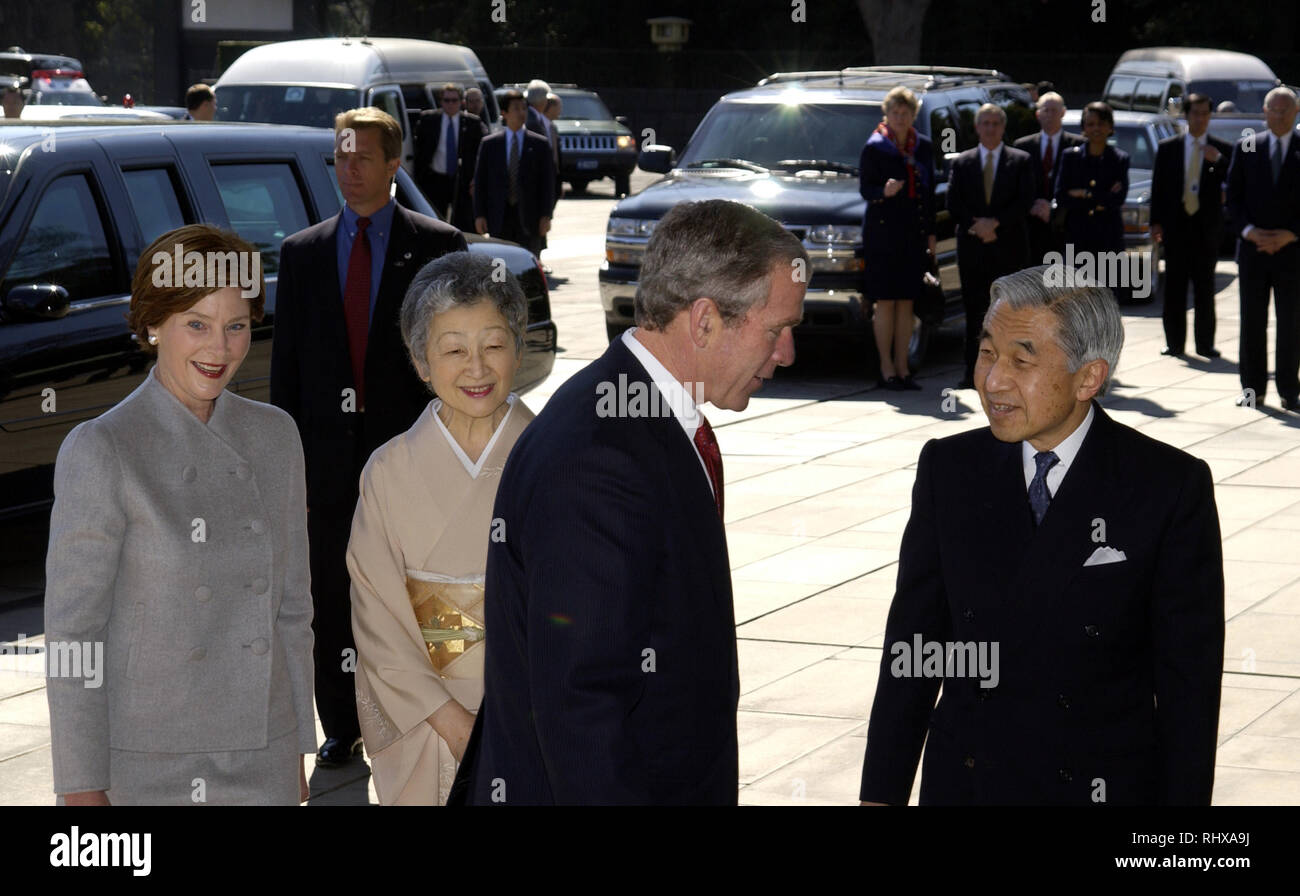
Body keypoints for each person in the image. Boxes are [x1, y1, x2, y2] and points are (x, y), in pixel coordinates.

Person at [453, 199, 808, 805]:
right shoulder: (599, 456)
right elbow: (582, 710)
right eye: (775, 330)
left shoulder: (647, 420)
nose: (787, 353)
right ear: (703, 322)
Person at [859, 266, 1224, 806]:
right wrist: (880, 794)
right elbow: (913, 649)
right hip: (968, 784)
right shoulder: (949, 470)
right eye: (986, 353)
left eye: (1022, 360)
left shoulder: (1167, 487)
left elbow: (1188, 690)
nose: (992, 380)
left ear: (1088, 378)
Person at [45, 224, 316, 805]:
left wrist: (297, 751)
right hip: (145, 768)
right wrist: (81, 788)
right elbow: (75, 637)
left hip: (262, 754)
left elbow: (294, 612)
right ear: (151, 323)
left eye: (236, 326)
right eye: (197, 324)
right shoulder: (103, 449)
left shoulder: (276, 437)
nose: (219, 350)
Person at [270, 107, 467, 770]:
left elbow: (456, 362)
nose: (348, 171)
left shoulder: (439, 248)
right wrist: (288, 471)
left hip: (412, 464)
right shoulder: (302, 255)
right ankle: (343, 723)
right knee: (333, 595)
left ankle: (450, 705)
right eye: (339, 157)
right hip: (328, 471)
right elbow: (287, 376)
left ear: (393, 164)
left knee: (430, 592)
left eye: (361, 158)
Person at [348, 253, 535, 805]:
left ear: (519, 348)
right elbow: (377, 622)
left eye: (494, 346)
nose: (476, 368)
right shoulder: (387, 471)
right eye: (453, 350)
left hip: (532, 711)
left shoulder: (555, 458)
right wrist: (457, 726)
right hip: (427, 721)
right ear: (420, 361)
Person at [948, 103, 1034, 389]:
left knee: (1008, 312)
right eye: (985, 123)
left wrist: (995, 224)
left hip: (1007, 247)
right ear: (977, 127)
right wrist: (978, 226)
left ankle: (1010, 372)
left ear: (1003, 127)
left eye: (995, 123)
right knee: (974, 311)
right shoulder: (962, 162)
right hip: (973, 248)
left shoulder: (1020, 160)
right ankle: (971, 373)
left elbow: (1024, 202)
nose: (990, 128)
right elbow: (954, 204)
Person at [1226, 86, 1300, 412]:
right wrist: (1249, 231)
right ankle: (1252, 389)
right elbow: (1233, 200)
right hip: (1254, 252)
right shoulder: (1247, 147)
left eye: (1285, 110)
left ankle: (1289, 389)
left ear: (1296, 113)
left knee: (1291, 323)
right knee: (1252, 323)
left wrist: (1291, 234)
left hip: (1293, 252)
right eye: (1274, 109)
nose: (1279, 115)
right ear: (1264, 113)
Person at [859, 85, 936, 391]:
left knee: (907, 302)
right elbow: (865, 189)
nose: (900, 118)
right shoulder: (875, 146)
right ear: (886, 114)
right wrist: (883, 192)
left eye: (906, 113)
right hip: (882, 234)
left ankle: (904, 368)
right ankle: (886, 368)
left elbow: (928, 193)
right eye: (895, 112)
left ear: (913, 115)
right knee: (886, 302)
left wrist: (930, 232)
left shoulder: (924, 146)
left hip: (912, 234)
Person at [1151, 93, 1232, 359]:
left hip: (1206, 230)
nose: (1200, 119)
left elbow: (1234, 182)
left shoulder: (1221, 149)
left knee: (1204, 289)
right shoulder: (1169, 148)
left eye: (1205, 114)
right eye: (1195, 113)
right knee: (1174, 288)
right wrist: (1155, 223)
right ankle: (1174, 343)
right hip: (1175, 229)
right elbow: (1159, 188)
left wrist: (1217, 161)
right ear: (1186, 115)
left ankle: (1205, 344)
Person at [1056, 101, 1132, 302]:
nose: (1096, 129)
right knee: (1076, 302)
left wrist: (1085, 194)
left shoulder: (1119, 159)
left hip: (1109, 241)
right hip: (1078, 241)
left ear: (1110, 127)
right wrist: (1101, 197)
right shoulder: (1070, 158)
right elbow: (1062, 196)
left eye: (1101, 123)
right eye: (1090, 124)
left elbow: (1118, 199)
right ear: (1083, 128)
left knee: (1107, 302)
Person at [473, 89, 555, 256]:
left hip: (529, 217)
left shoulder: (539, 144)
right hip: (499, 216)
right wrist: (479, 215)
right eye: (516, 108)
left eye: (524, 108)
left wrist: (546, 215)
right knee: (499, 265)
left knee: (527, 265)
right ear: (504, 113)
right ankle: (500, 283)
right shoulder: (490, 144)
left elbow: (548, 183)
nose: (521, 112)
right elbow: (480, 182)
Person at [1014, 92, 1086, 266]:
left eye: (1054, 110)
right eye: (1046, 110)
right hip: (1032, 229)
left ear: (1063, 113)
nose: (1050, 115)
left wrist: (1054, 209)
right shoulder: (1022, 147)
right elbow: (1016, 185)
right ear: (1038, 114)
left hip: (1066, 228)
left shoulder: (1079, 145)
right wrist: (1033, 205)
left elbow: (1079, 184)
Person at [414, 83, 486, 233]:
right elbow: (419, 152)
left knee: (463, 222)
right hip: (435, 179)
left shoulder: (472, 123)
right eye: (447, 100)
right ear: (441, 102)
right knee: (434, 220)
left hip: (462, 181)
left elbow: (480, 155)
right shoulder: (429, 120)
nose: (451, 104)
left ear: (461, 102)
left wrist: (476, 179)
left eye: (454, 100)